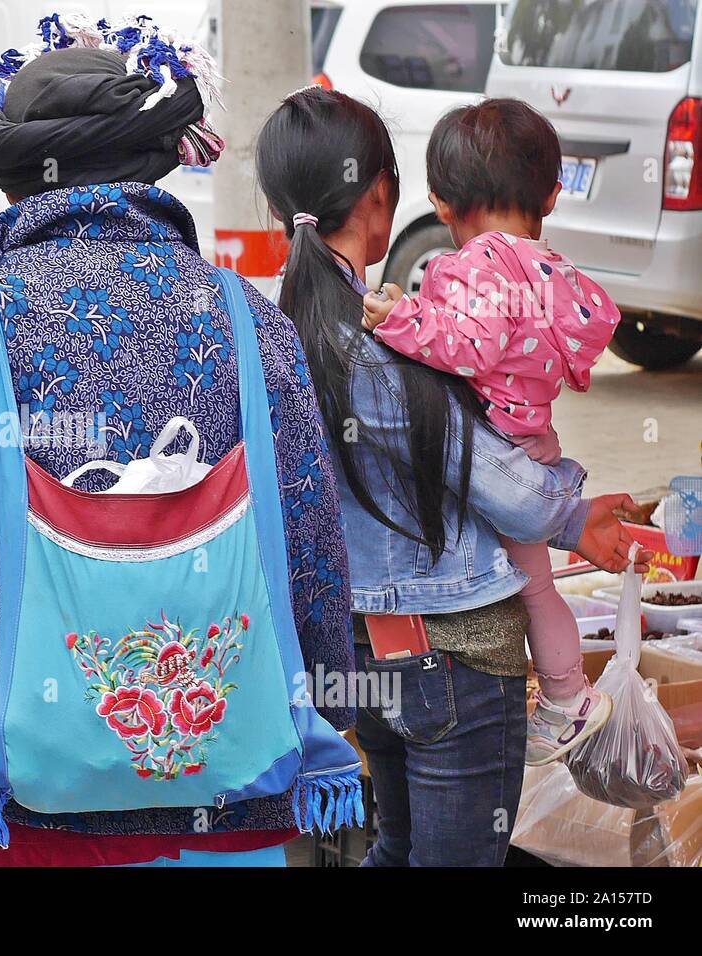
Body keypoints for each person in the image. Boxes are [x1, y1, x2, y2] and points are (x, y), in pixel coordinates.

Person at [0, 15, 353, 867]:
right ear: (149, 164)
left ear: (14, 182)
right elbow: (309, 549)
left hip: (11, 775)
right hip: (218, 774)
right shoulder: (252, 325)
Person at [255, 86, 648, 866]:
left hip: (357, 655)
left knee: (396, 847)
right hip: (451, 659)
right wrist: (571, 511)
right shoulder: (378, 341)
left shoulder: (268, 326)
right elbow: (502, 487)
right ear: (380, 194)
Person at [359, 99, 620, 766]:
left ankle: (568, 697)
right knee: (540, 587)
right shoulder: (549, 268)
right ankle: (565, 691)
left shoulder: (478, 265)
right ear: (553, 194)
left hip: (496, 453)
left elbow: (466, 348)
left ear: (442, 202)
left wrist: (398, 318)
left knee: (532, 592)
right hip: (532, 440)